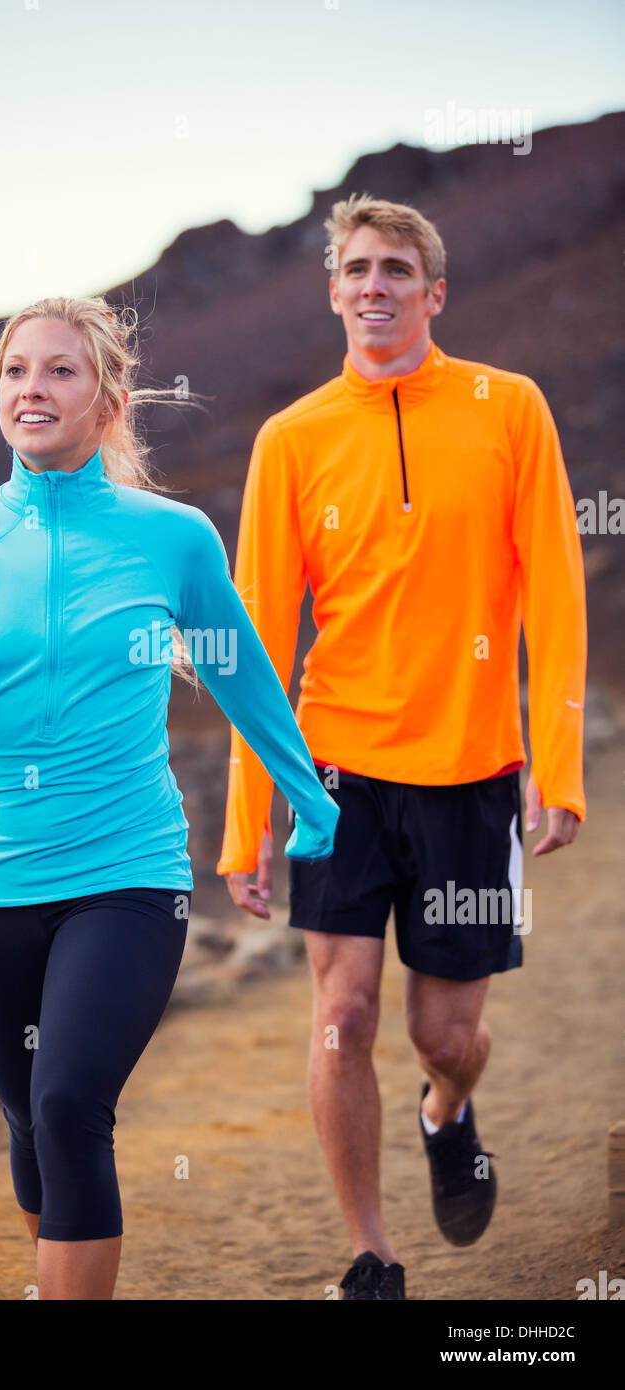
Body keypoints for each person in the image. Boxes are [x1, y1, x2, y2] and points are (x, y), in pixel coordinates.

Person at [0, 295, 340, 1301]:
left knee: (72, 1100)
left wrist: (309, 796)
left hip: (125, 871)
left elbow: (241, 672)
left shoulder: (172, 538)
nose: (32, 388)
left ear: (107, 398)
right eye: (15, 371)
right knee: (33, 1124)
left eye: (60, 371)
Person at [218, 194, 587, 1300]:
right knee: (340, 1015)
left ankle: (448, 1109)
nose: (371, 285)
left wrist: (554, 768)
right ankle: (369, 1255)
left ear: (433, 293)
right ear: (332, 290)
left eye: (394, 268)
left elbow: (558, 598)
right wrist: (248, 823)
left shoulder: (508, 408)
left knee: (443, 1030)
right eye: (354, 268)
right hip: (335, 775)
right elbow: (249, 638)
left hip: (472, 772)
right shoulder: (290, 439)